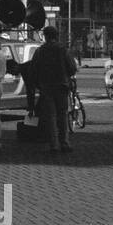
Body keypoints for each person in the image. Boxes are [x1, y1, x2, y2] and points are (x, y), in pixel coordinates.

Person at [31, 26, 79, 154]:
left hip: (46, 87)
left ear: (45, 36)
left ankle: (54, 145)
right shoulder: (63, 50)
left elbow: (34, 69)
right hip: (62, 86)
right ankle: (65, 143)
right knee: (62, 115)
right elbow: (72, 68)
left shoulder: (40, 51)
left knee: (50, 116)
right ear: (56, 36)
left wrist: (39, 83)